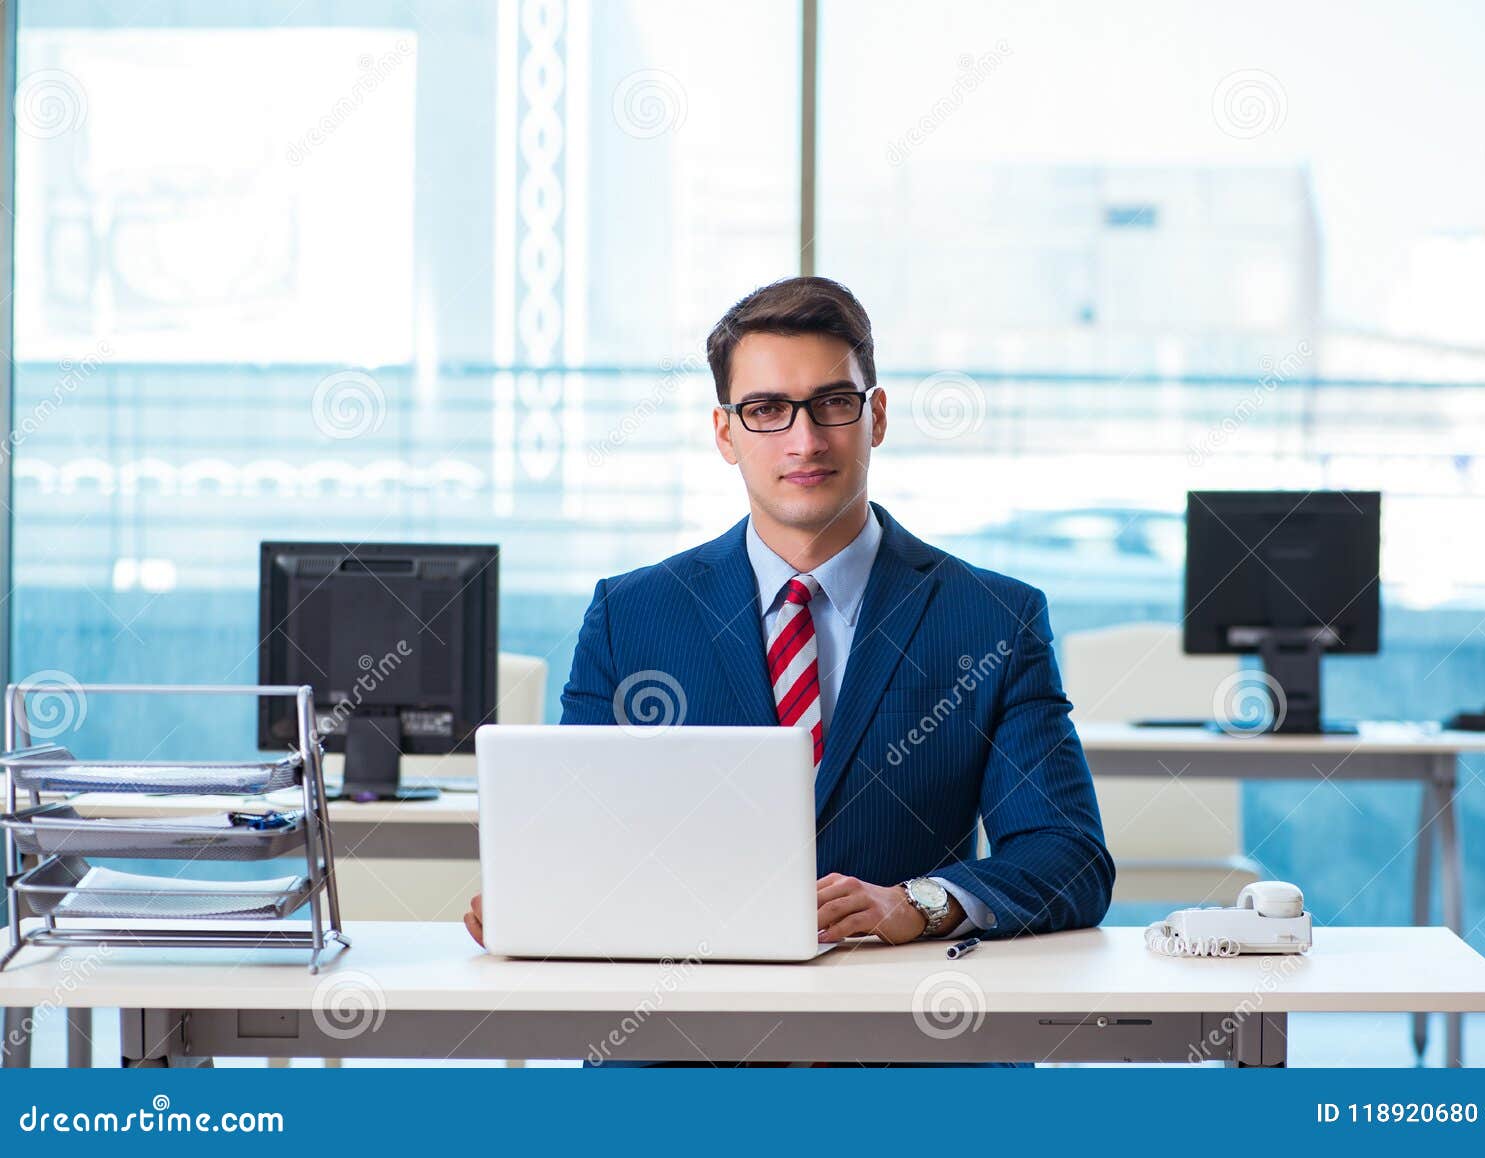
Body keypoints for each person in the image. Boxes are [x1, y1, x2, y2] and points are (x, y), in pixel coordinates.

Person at [465, 275, 1112, 953]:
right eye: (768, 409)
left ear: (877, 416)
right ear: (724, 432)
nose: (805, 441)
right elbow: (577, 835)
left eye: (833, 403)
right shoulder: (631, 616)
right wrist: (532, 892)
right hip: (681, 1032)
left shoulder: (992, 619)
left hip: (903, 1026)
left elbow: (1068, 856)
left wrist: (918, 903)